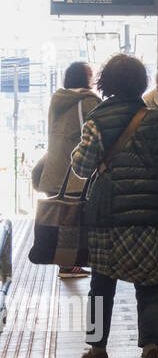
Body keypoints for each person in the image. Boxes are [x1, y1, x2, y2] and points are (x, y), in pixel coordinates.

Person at [71, 54, 158, 358]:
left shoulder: (96, 119)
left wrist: (78, 151)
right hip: (153, 218)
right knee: (150, 287)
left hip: (108, 220)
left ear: (106, 83)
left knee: (99, 287)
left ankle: (96, 353)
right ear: (141, 83)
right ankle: (150, 351)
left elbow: (81, 168)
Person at [36, 62, 100, 279]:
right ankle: (68, 265)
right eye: (90, 74)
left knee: (63, 219)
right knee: (73, 219)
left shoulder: (57, 99)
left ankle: (65, 262)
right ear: (84, 78)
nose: (93, 77)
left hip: (54, 166)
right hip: (74, 169)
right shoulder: (89, 101)